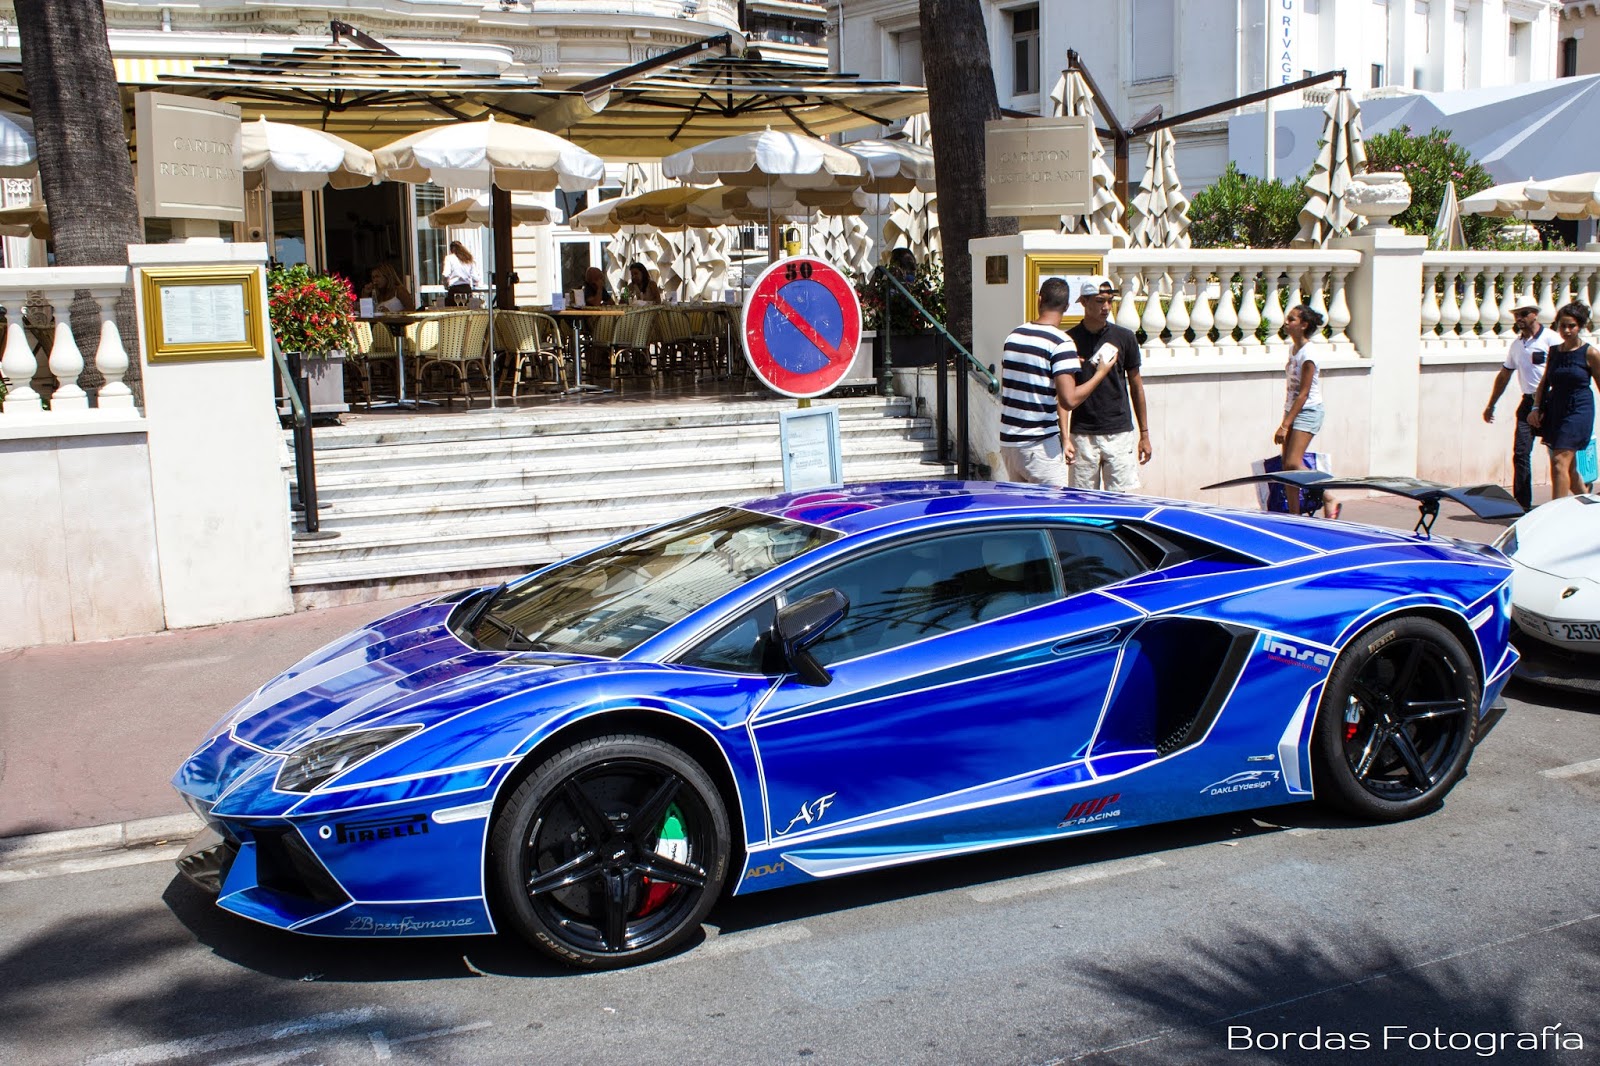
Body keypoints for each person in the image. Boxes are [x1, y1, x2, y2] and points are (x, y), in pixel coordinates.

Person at [999, 277, 1120, 486]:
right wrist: (1101, 372)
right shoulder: (1060, 342)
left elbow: (1024, 379)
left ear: (1040, 299)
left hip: (1009, 443)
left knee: (1022, 511)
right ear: (1066, 306)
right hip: (1039, 445)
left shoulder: (1014, 336)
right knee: (1052, 512)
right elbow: (1069, 400)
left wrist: (1067, 365)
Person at [1066, 278, 1150, 491]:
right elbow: (1063, 391)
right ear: (1084, 302)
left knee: (1120, 499)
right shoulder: (1069, 340)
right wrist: (1065, 436)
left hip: (1118, 431)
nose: (1106, 307)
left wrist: (1144, 435)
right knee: (1082, 500)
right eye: (1099, 301)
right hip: (1083, 432)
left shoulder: (1125, 337)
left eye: (1109, 301)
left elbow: (1136, 384)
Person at [1482, 305, 1553, 510]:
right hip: (1528, 402)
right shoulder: (1517, 345)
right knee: (1520, 452)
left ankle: (1571, 497)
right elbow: (1505, 375)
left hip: (1550, 401)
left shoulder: (1551, 339)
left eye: (1523, 314)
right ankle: (1522, 505)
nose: (1519, 319)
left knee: (1558, 454)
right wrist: (1491, 405)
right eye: (1516, 315)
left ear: (1535, 314)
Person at [1529, 301, 1600, 499]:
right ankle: (1592, 509)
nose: (1567, 330)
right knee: (1569, 469)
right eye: (1563, 326)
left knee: (1559, 461)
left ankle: (1555, 516)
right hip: (1556, 409)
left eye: (1572, 326)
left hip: (1579, 409)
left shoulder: (1590, 353)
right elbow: (1544, 382)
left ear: (1580, 327)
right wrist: (1536, 408)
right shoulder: (1554, 351)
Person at [1276, 304, 1339, 519]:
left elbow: (1303, 394)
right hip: (1292, 410)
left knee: (1294, 462)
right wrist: (1286, 418)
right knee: (1287, 468)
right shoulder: (1293, 350)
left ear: (1303, 325)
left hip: (1309, 411)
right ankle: (1294, 515)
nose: (1287, 322)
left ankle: (1328, 495)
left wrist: (1285, 425)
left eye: (1291, 319)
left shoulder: (1308, 355)